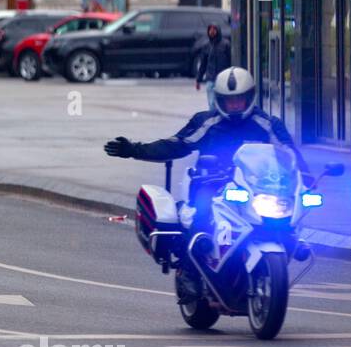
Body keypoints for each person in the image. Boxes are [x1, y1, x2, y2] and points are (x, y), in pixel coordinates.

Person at [104, 66, 313, 253]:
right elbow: (175, 145)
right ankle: (191, 275)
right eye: (229, 101)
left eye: (239, 99)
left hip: (254, 188)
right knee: (200, 220)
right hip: (211, 185)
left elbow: (290, 155)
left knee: (283, 221)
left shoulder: (268, 124)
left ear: (250, 97)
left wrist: (306, 180)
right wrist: (133, 149)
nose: (235, 105)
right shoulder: (206, 122)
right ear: (219, 99)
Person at [193, 23, 231, 111]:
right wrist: (198, 79)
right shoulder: (206, 46)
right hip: (211, 79)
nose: (212, 31)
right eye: (210, 29)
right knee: (212, 104)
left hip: (223, 79)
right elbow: (203, 64)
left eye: (214, 29)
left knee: (222, 103)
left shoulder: (226, 45)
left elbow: (230, 61)